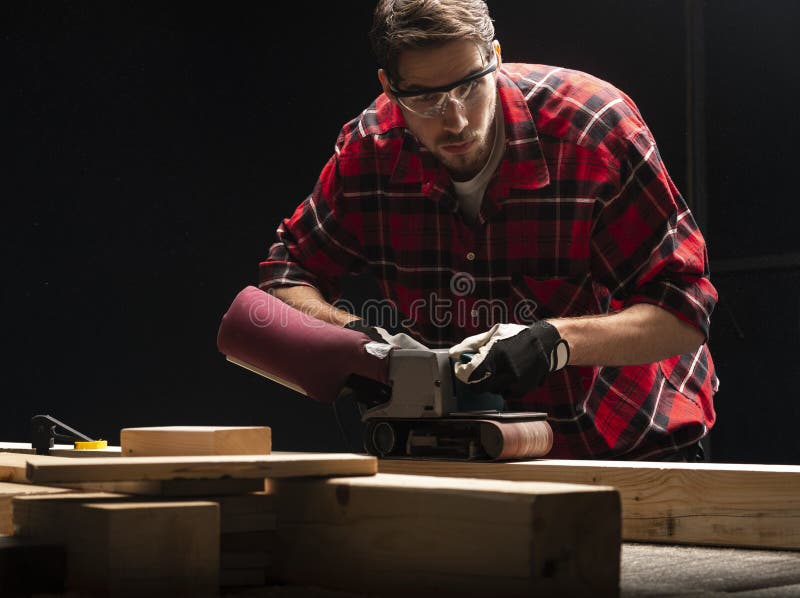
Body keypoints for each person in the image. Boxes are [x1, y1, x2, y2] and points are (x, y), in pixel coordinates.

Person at [257, 0, 718, 461]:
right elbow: (286, 274)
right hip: (464, 455)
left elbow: (684, 313)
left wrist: (556, 342)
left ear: (494, 57)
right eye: (424, 99)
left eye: (469, 86)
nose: (455, 120)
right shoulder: (368, 152)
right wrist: (354, 346)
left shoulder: (593, 133)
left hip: (627, 448)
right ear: (388, 87)